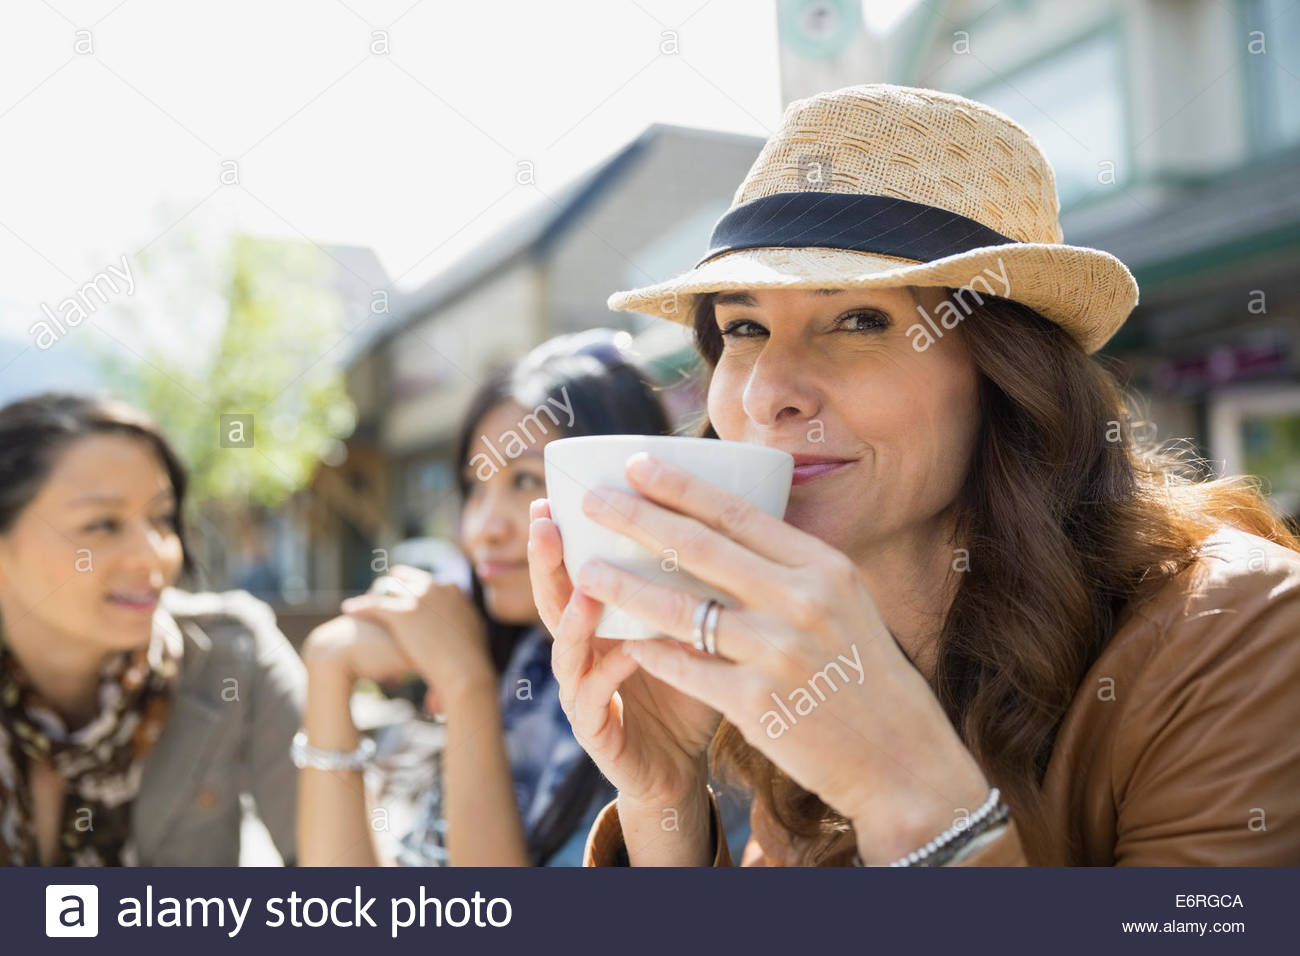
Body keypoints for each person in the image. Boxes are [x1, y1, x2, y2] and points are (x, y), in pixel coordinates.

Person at [527, 84, 1300, 867]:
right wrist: (667, 802)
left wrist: (911, 795)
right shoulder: (819, 663)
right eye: (744, 327)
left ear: (1007, 369)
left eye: (858, 320)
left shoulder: (1242, 632)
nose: (767, 394)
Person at [297, 330, 675, 866]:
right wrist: (328, 667)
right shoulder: (517, 665)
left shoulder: (679, 708)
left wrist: (463, 682)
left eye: (524, 480)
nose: (482, 529)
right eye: (475, 489)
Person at [0, 393, 304, 866]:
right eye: (102, 524)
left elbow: (357, 903)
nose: (155, 556)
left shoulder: (229, 656)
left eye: (161, 518)